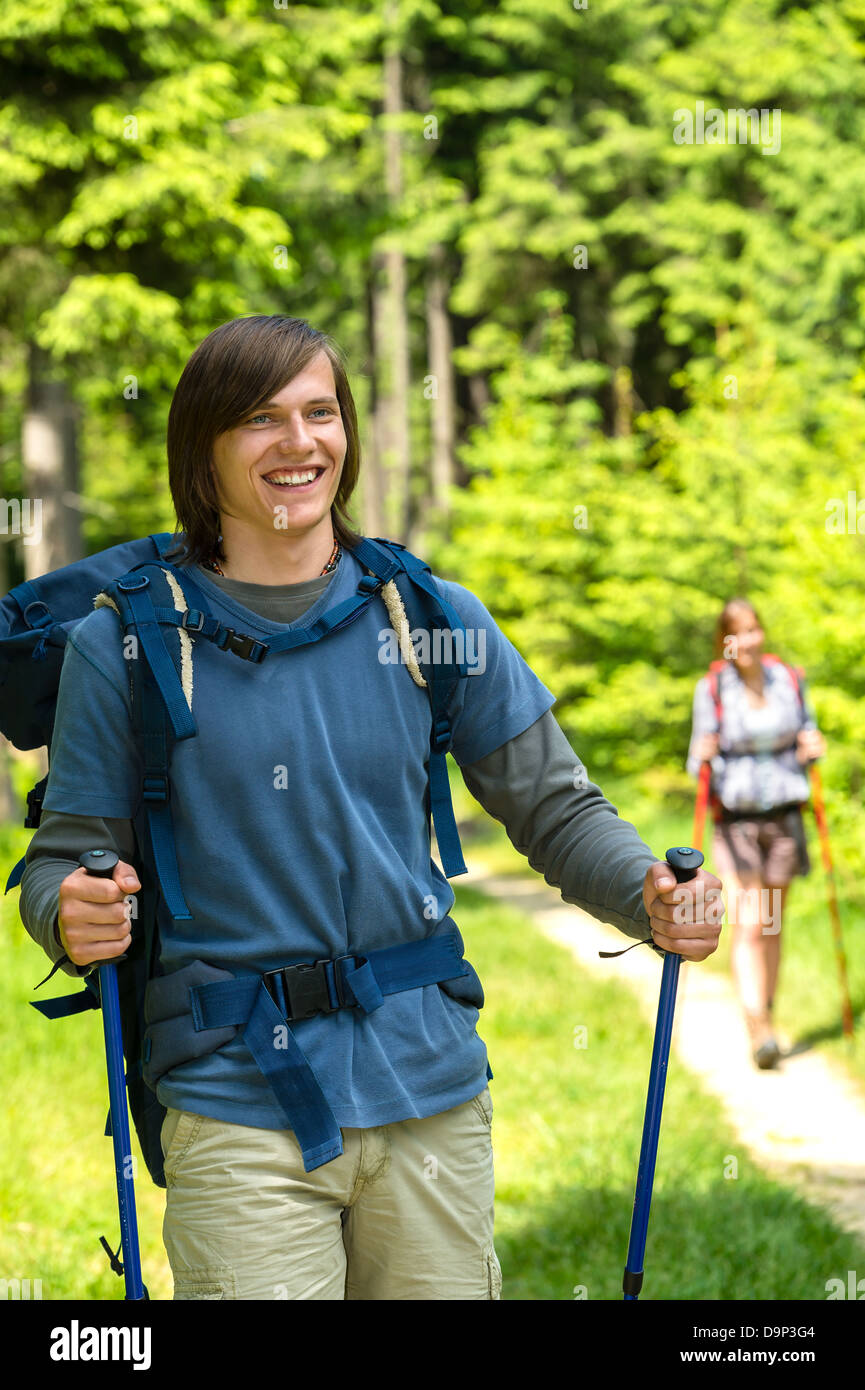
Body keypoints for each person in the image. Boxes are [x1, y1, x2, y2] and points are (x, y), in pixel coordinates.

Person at [20, 314, 723, 1300]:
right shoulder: (126, 644)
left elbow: (558, 809)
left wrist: (647, 891)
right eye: (261, 418)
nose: (299, 441)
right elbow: (65, 859)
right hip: (236, 1098)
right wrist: (70, 909)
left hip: (429, 1085)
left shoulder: (428, 615)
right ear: (203, 446)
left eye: (321, 412)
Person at [686, 598, 825, 1070]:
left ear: (761, 633)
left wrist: (813, 747)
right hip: (737, 819)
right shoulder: (712, 689)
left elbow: (809, 734)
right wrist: (703, 754)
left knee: (772, 923)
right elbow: (695, 764)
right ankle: (756, 1027)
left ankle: (767, 1012)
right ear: (724, 641)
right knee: (750, 919)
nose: (745, 640)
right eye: (735, 632)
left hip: (785, 814)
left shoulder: (788, 679)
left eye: (752, 630)